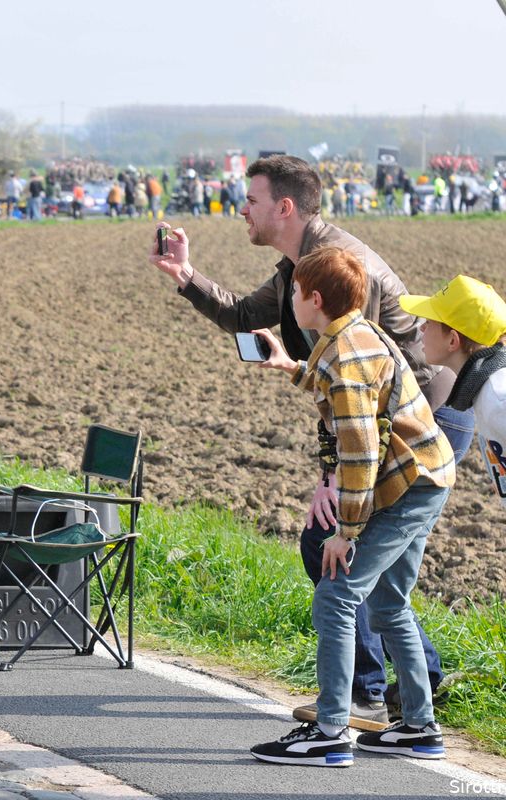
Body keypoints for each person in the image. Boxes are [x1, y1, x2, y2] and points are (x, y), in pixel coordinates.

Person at [148, 154, 473, 729]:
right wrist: (185, 276)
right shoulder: (300, 266)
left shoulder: (345, 270)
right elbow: (248, 315)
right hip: (382, 425)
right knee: (372, 575)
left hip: (423, 425)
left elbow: (360, 391)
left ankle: (367, 697)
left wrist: (334, 485)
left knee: (338, 552)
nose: (241, 209)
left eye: (250, 200)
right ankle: (412, 689)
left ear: (285, 207)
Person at [249, 246, 455, 767]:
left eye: (294, 292)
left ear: (313, 299)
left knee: (336, 598)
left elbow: (360, 453)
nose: (290, 299)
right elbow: (340, 392)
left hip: (407, 484)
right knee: (388, 604)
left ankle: (331, 731)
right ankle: (419, 727)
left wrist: (345, 532)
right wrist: (288, 366)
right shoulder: (350, 335)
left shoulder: (346, 356)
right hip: (426, 476)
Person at [401, 275, 506, 511]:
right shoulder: (486, 393)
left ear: (453, 341)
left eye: (430, 322)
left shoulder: (498, 400)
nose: (421, 327)